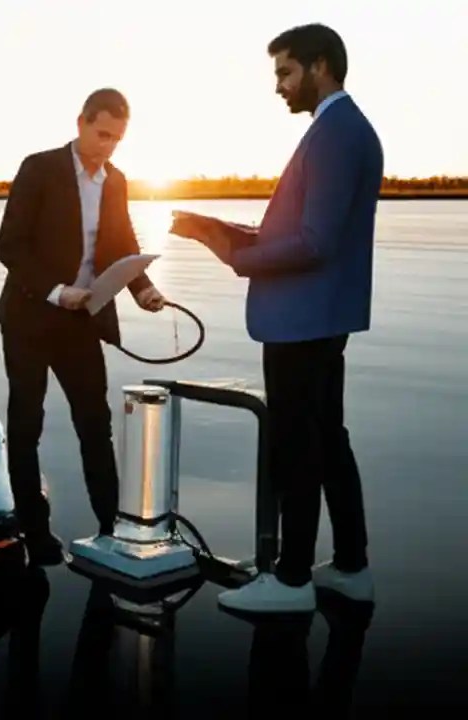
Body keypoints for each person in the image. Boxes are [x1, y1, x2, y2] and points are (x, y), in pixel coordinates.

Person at [170, 23, 382, 612]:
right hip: (317, 317)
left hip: (303, 321)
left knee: (297, 446)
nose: (280, 86)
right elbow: (299, 232)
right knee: (327, 440)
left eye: (286, 73)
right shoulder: (339, 128)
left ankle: (291, 581)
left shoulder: (337, 132)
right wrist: (219, 230)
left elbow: (313, 243)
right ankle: (350, 566)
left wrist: (240, 259)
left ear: (320, 67)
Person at [0, 88, 167, 568]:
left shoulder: (116, 181)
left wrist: (143, 289)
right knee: (28, 426)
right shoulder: (39, 168)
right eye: (102, 134)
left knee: (96, 425)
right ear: (81, 122)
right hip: (29, 319)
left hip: (82, 324)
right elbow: (10, 246)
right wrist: (55, 290)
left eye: (117, 139)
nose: (108, 146)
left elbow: (120, 244)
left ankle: (112, 530)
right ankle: (35, 531)